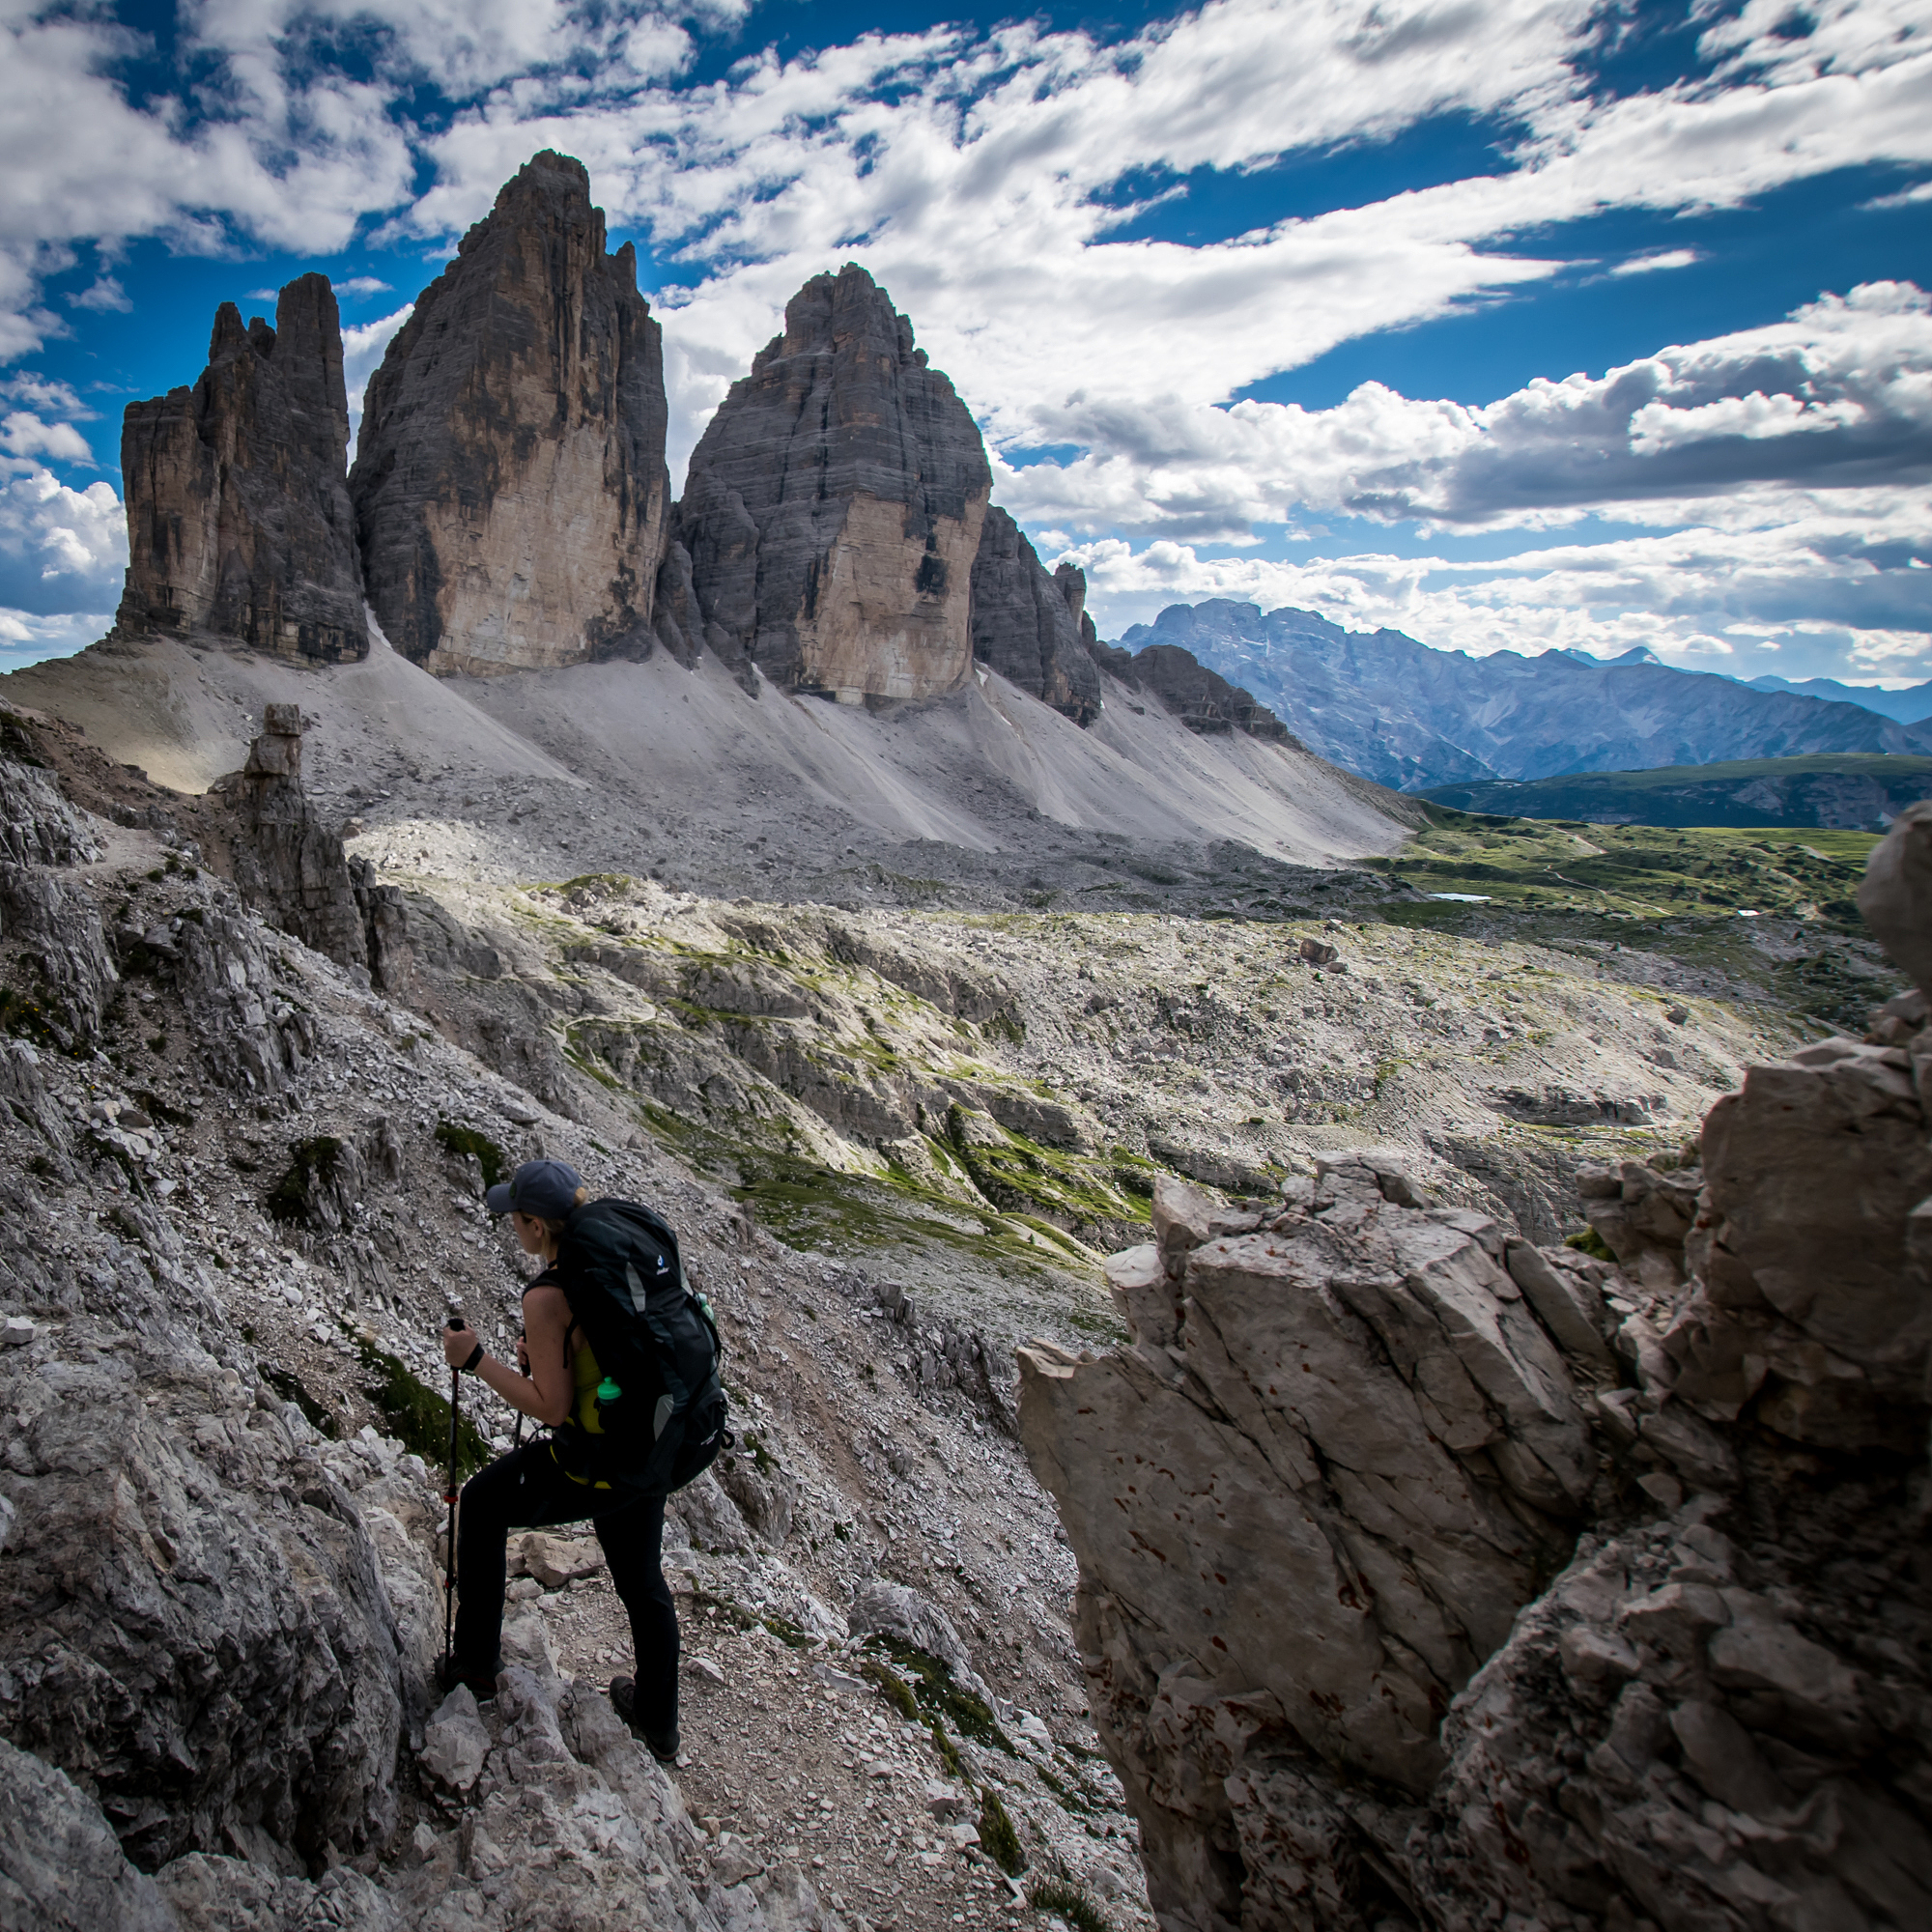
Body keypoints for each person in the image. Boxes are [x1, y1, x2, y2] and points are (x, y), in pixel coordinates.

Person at [439, 1157, 681, 1763]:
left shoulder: (549, 1294)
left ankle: (476, 1666)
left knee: (484, 1501)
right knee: (642, 1579)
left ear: (537, 1227)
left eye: (513, 1218)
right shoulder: (609, 1257)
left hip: (595, 1458)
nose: (509, 1227)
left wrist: (475, 1361)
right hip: (647, 1446)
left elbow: (550, 1408)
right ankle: (658, 1722)